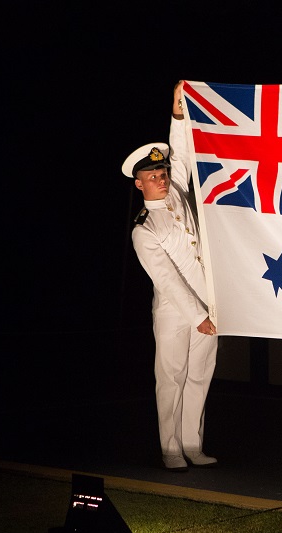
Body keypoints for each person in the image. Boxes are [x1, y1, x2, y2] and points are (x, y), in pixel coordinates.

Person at [122, 81, 219, 472]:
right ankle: (171, 448)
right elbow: (167, 280)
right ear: (139, 183)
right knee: (173, 378)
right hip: (177, 312)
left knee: (200, 376)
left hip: (209, 302)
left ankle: (193, 443)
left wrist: (178, 112)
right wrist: (199, 316)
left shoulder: (177, 190)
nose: (162, 177)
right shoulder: (144, 230)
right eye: (153, 174)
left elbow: (181, 155)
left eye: (162, 170)